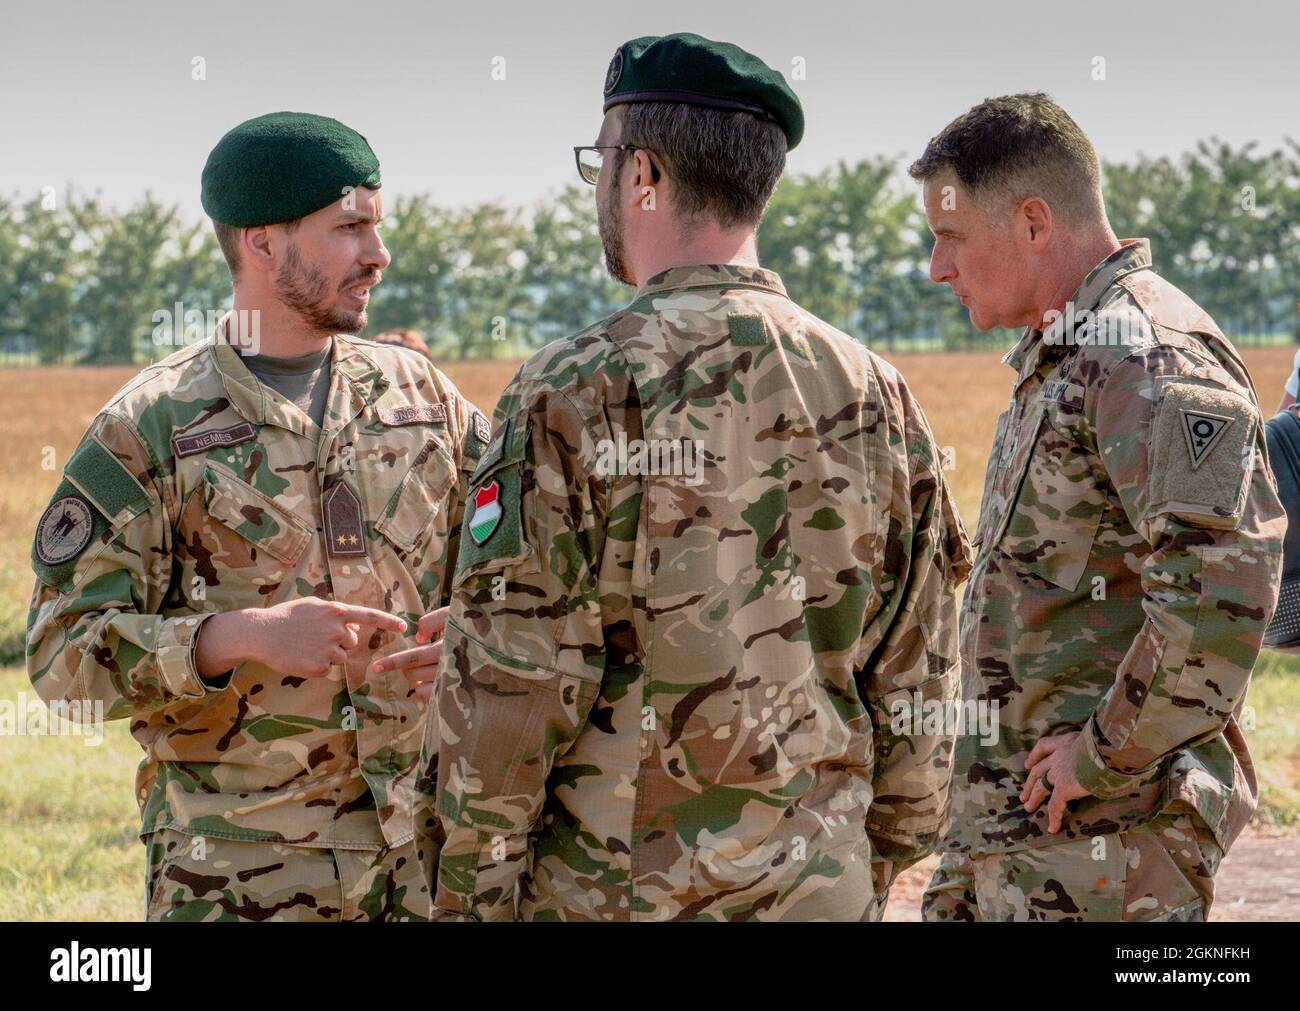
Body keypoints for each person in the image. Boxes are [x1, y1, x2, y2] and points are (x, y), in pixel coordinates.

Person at [413, 32, 969, 921]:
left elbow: (508, 689)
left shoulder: (571, 386)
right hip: (819, 888)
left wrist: (469, 895)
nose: (598, 188)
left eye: (602, 162)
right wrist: (858, 858)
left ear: (643, 174)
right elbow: (922, 678)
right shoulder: (877, 393)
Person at [26, 111, 488, 921]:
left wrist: (474, 625)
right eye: (350, 228)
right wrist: (238, 637)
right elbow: (63, 661)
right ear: (262, 242)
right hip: (242, 881)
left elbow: (528, 556)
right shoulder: (151, 428)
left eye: (377, 227)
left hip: (430, 865)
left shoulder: (425, 400)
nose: (379, 255)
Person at [911, 94, 1284, 921]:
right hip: (1018, 843)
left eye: (951, 236)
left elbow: (1219, 601)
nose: (937, 267)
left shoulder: (1146, 355)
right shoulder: (1069, 352)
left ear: (1034, 222)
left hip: (1105, 854)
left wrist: (1101, 757)